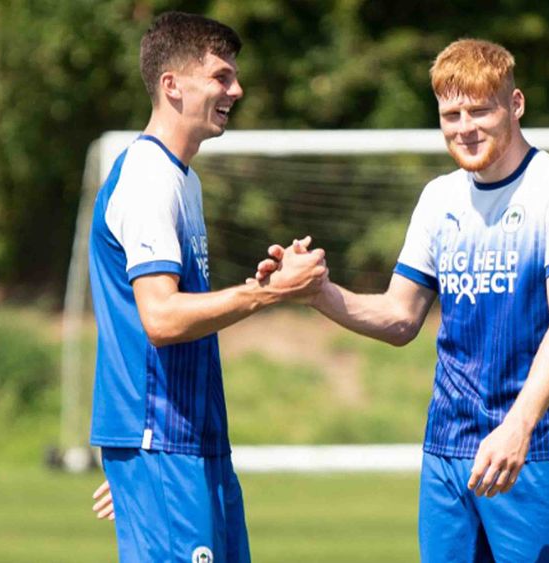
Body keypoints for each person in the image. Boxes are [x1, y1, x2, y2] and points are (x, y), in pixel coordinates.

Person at [259, 38, 549, 562]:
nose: (464, 127)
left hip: (530, 453)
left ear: (515, 104)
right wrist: (317, 293)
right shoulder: (439, 199)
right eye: (451, 114)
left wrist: (518, 426)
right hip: (447, 455)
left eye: (479, 110)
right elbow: (400, 318)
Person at [87, 11, 327, 563]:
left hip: (190, 444)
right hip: (164, 441)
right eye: (221, 76)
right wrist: (268, 294)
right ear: (172, 85)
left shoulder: (182, 179)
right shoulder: (148, 179)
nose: (236, 89)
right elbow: (162, 318)